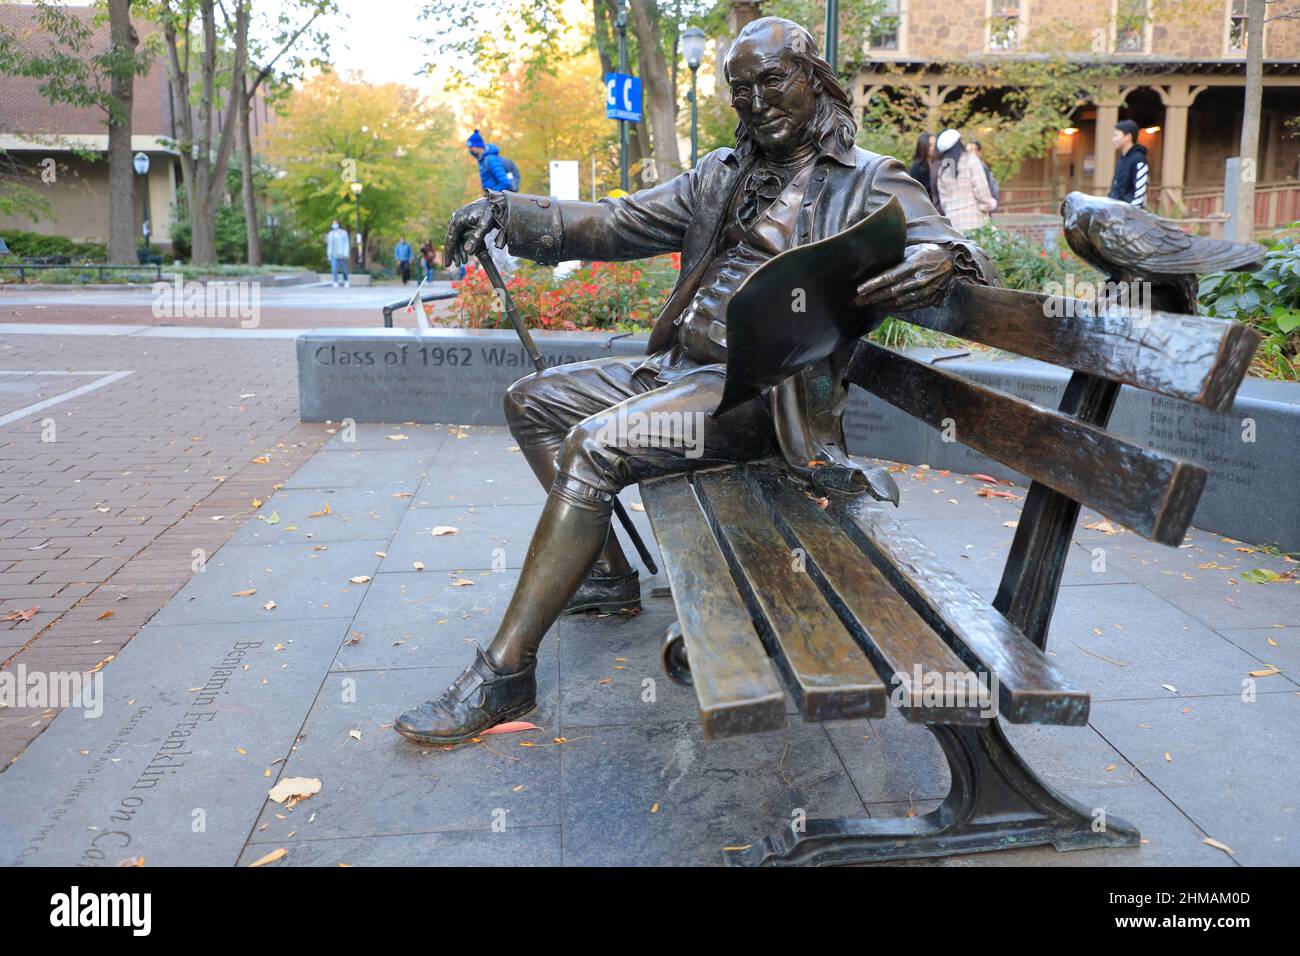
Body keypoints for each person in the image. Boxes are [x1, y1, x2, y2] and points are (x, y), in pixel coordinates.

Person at [394, 16, 995, 745]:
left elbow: (946, 246)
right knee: (533, 402)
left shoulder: (868, 178)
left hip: (761, 400)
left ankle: (505, 672)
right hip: (682, 371)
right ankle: (607, 573)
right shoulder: (722, 172)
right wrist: (508, 213)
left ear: (815, 79)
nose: (758, 103)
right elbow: (616, 223)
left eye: (773, 81)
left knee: (593, 446)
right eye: (741, 91)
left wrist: (941, 260)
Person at [465, 129, 518, 276]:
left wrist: (492, 195)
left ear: (478, 146)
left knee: (490, 241)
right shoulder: (484, 160)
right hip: (493, 205)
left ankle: (508, 277)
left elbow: (505, 183)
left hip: (497, 207)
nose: (470, 150)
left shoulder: (491, 160)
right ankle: (505, 277)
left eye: (471, 147)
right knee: (491, 243)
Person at [932, 128, 997, 234]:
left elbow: (944, 202)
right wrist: (989, 203)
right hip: (974, 221)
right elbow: (981, 191)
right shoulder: (971, 160)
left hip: (953, 225)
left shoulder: (943, 170)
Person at [1108, 119, 1149, 208]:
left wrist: (1132, 212)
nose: (1113, 139)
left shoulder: (1139, 159)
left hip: (1129, 214)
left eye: (1116, 135)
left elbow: (1140, 190)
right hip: (1117, 211)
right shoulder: (1122, 160)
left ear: (1128, 137)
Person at [967, 141, 1000, 206]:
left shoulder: (982, 167)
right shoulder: (964, 166)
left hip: (981, 205)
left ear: (979, 152)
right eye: (969, 150)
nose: (970, 153)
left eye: (973, 150)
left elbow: (991, 188)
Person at [908, 132, 935, 199]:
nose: (934, 147)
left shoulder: (939, 163)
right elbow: (913, 192)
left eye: (935, 144)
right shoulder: (916, 168)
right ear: (923, 147)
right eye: (931, 145)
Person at [326, 220, 350, 288]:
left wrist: (346, 253)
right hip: (334, 254)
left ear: (338, 224)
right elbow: (329, 245)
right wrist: (329, 254)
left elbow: (346, 243)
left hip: (342, 254)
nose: (334, 225)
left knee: (344, 269)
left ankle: (346, 281)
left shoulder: (343, 233)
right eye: (333, 223)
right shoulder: (330, 234)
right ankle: (335, 282)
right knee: (334, 269)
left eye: (335, 223)